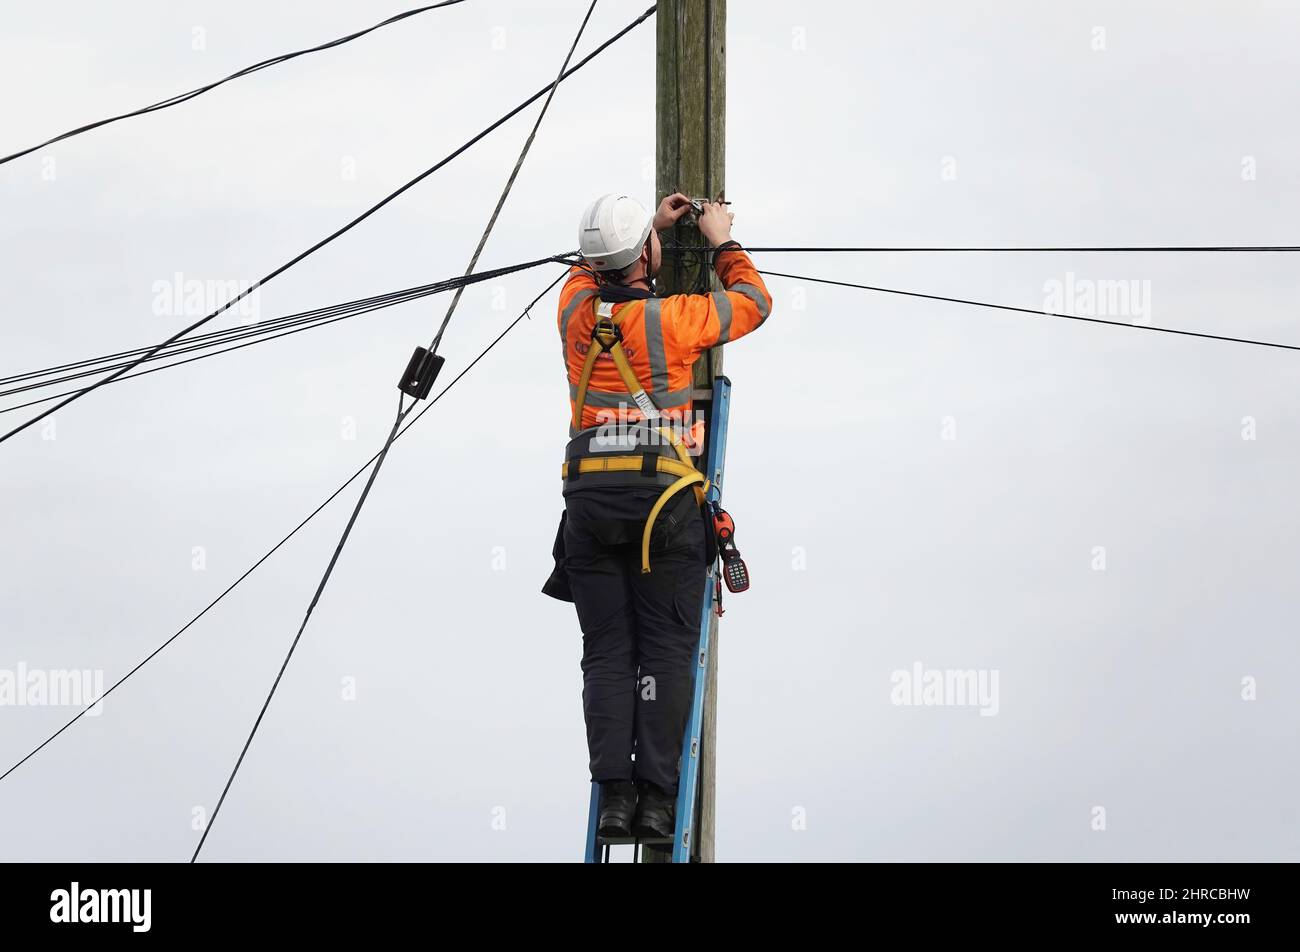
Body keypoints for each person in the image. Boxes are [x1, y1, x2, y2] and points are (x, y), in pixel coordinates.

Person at [542, 192, 773, 839]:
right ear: (645, 253)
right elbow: (754, 303)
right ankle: (658, 801)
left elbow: (586, 271)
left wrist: (645, 229)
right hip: (662, 505)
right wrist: (721, 240)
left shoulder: (572, 313)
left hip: (588, 504)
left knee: (607, 654)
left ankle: (615, 797)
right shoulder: (675, 321)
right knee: (667, 651)